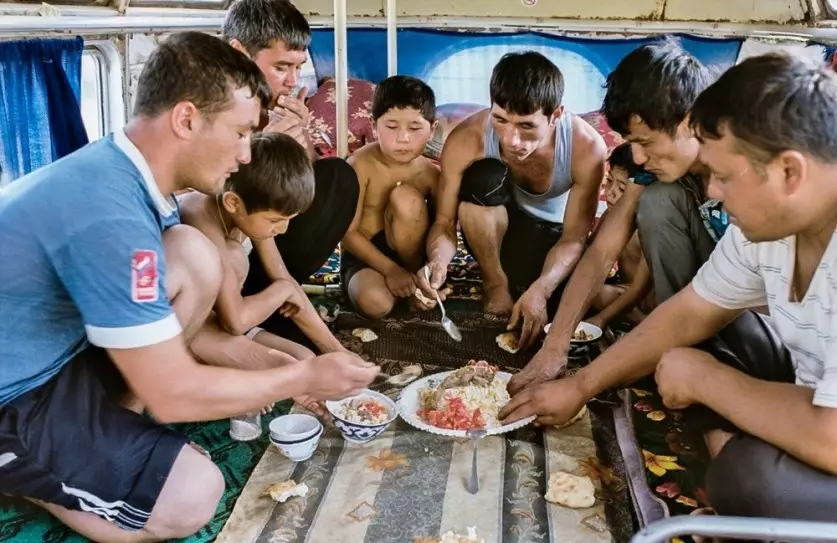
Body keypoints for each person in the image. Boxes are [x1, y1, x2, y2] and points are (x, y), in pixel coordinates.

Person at [0, 32, 378, 542]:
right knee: (194, 495)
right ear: (186, 119)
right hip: (17, 394)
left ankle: (109, 432)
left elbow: (182, 338)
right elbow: (174, 393)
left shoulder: (130, 180)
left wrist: (278, 365)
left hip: (62, 354)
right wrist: (298, 378)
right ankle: (27, 473)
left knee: (191, 254)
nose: (246, 154)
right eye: (241, 132)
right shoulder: (108, 215)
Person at [502, 52, 837, 521]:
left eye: (722, 176)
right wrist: (578, 384)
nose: (713, 194)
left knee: (750, 480)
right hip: (811, 389)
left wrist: (708, 380)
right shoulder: (766, 229)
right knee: (695, 343)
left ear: (789, 172)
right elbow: (687, 313)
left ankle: (738, 462)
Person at [508, 40, 719, 394]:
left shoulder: (748, 164)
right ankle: (682, 342)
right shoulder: (651, 173)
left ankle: (696, 350)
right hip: (703, 300)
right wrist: (555, 347)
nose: (635, 158)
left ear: (689, 122)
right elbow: (602, 251)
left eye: (646, 142)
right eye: (629, 142)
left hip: (755, 313)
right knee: (658, 198)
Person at [418, 51, 607, 350]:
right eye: (501, 120)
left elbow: (574, 237)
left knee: (566, 301)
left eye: (527, 126)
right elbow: (444, 221)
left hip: (554, 239)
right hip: (495, 232)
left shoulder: (586, 148)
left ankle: (529, 282)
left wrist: (543, 288)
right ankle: (496, 283)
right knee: (483, 178)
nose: (511, 140)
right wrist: (437, 261)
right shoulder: (468, 138)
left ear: (556, 115)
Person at [222, 0, 361, 344]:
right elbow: (202, 204)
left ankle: (276, 299)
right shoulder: (210, 110)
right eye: (282, 67)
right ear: (239, 54)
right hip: (222, 256)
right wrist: (264, 147)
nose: (292, 81)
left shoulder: (271, 107)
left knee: (337, 176)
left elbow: (301, 186)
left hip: (261, 241)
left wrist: (299, 142)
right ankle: (256, 307)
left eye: (299, 68)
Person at [341, 75, 441, 318]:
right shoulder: (360, 165)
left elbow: (442, 226)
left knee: (405, 198)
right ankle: (402, 290)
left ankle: (414, 288)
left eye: (415, 128)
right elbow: (346, 233)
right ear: (374, 126)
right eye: (392, 126)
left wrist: (429, 274)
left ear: (432, 130)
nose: (403, 138)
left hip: (412, 258)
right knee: (375, 303)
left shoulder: (430, 173)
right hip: (366, 257)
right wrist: (391, 270)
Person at [586, 143, 653, 331]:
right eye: (609, 181)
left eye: (622, 188)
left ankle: (647, 327)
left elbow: (639, 288)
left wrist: (601, 318)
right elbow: (590, 253)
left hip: (645, 301)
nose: (610, 192)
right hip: (621, 290)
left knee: (599, 294)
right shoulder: (610, 215)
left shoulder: (647, 231)